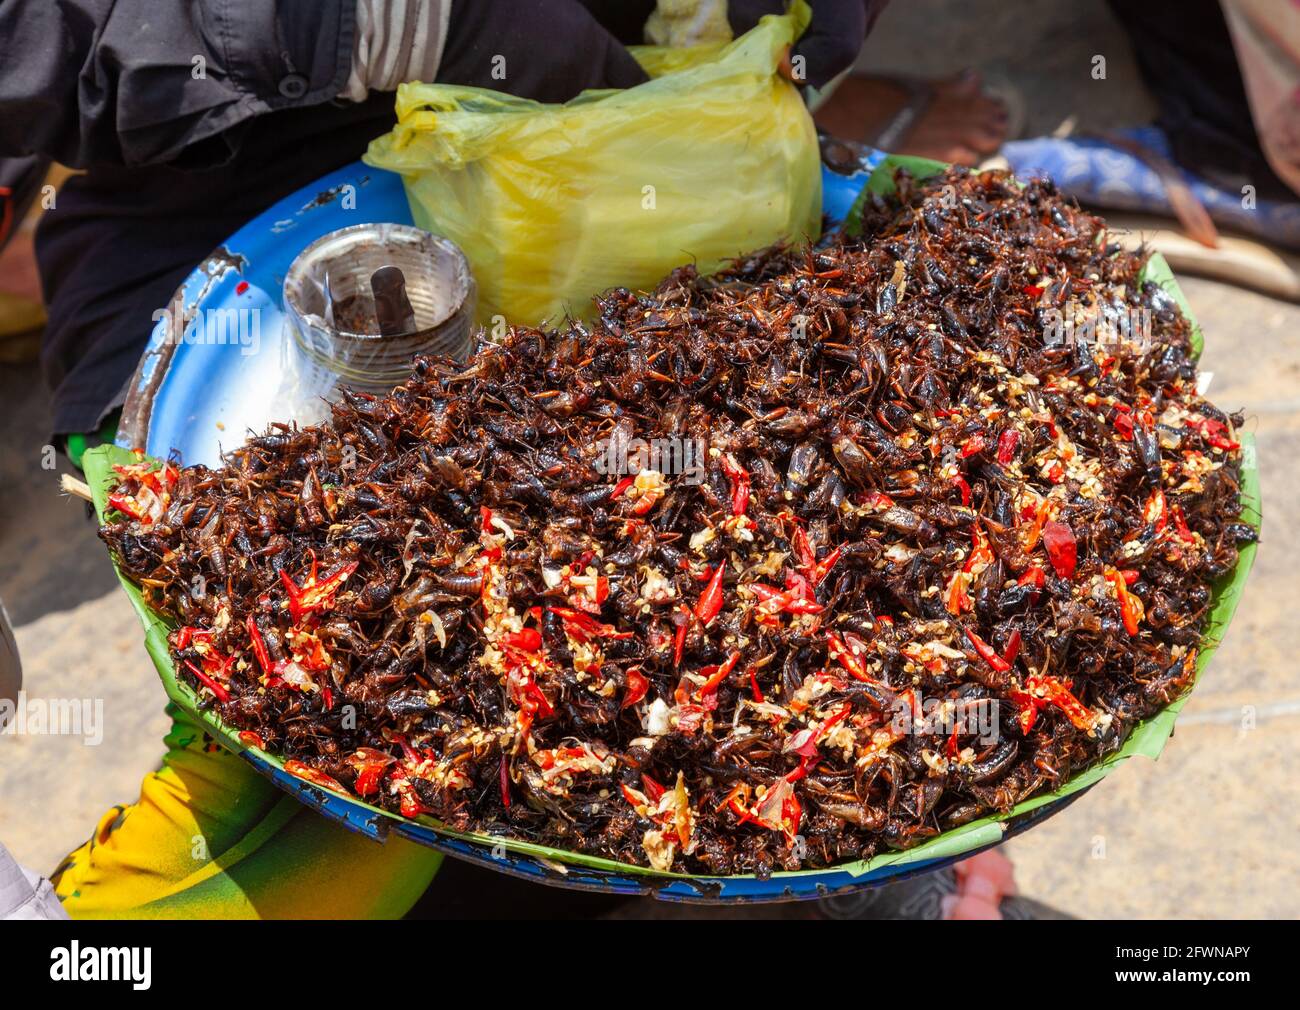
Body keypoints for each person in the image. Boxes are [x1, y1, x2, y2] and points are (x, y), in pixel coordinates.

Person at [0, 0, 1028, 919]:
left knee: (871, 618)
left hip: (666, 193)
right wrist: (346, 22)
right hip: (238, 219)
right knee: (365, 768)